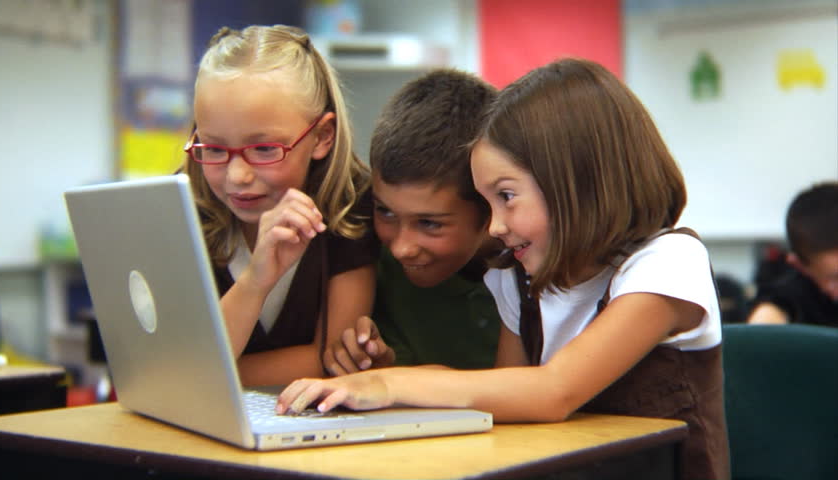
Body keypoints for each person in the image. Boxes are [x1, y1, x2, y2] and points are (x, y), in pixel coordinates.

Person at [277, 58, 730, 480]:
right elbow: (501, 396)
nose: (494, 225)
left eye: (506, 197)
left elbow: (553, 392)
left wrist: (388, 383)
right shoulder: (516, 278)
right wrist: (364, 387)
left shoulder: (666, 265)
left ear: (577, 184)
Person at [181, 25, 380, 386]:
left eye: (264, 149)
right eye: (214, 149)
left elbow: (333, 358)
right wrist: (255, 281)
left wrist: (201, 375)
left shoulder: (351, 205)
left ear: (322, 137)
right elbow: (184, 367)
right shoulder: (182, 208)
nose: (237, 175)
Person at [322, 69, 502, 375]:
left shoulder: (532, 272)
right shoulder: (371, 264)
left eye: (430, 224)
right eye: (386, 212)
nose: (401, 249)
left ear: (491, 207)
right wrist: (382, 366)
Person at [747, 181, 838, 326]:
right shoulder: (789, 299)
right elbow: (771, 312)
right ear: (800, 266)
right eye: (835, 278)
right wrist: (769, 313)